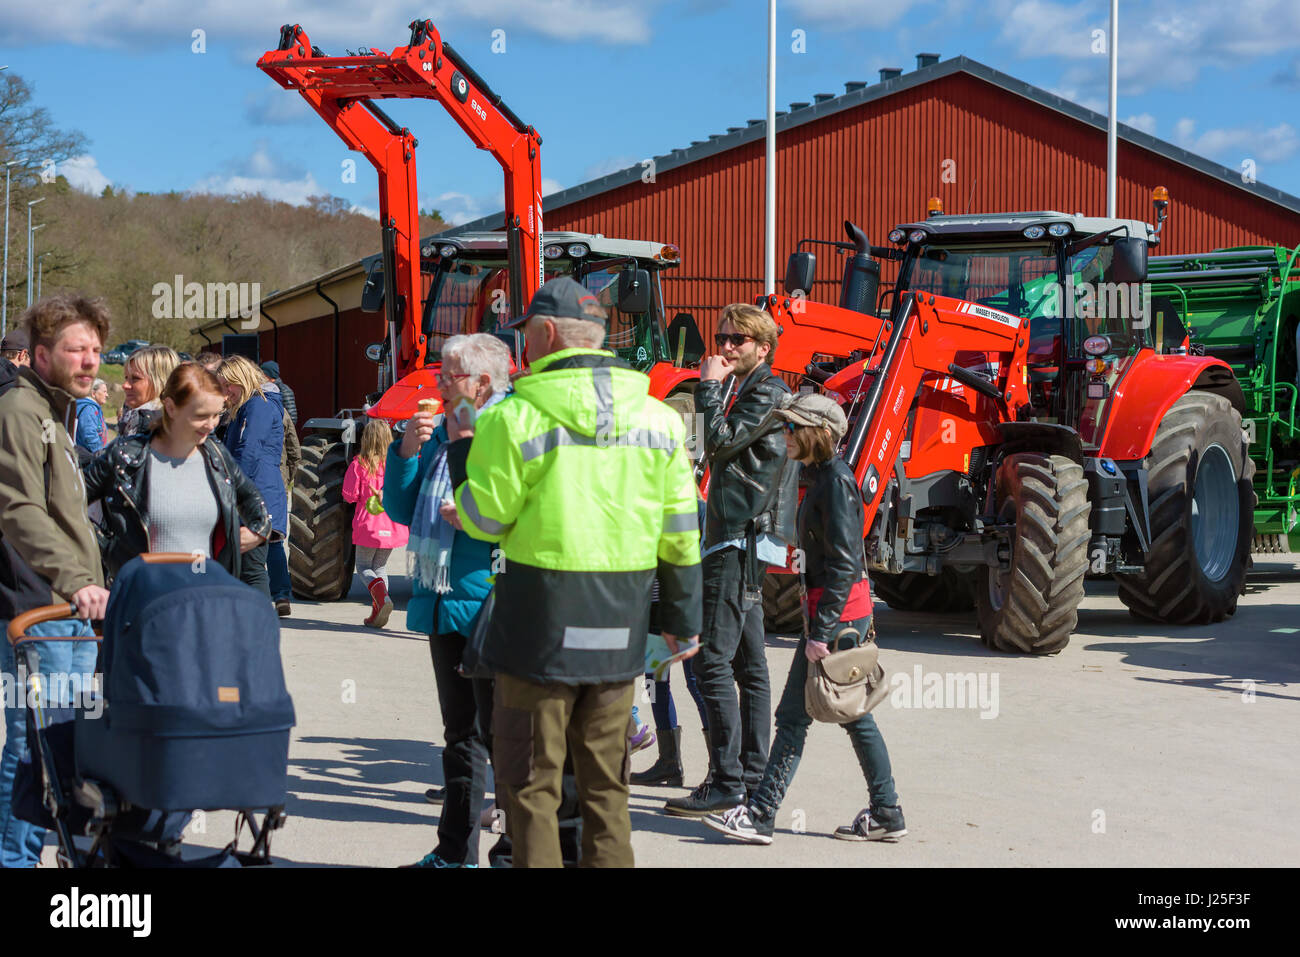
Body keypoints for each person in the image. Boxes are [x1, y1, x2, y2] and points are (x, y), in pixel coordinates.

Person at [449, 277, 703, 868]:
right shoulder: (661, 421)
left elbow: (485, 520)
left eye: (526, 338)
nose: (523, 352)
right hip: (619, 631)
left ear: (547, 333)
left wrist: (463, 450)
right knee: (608, 790)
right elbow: (682, 532)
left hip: (538, 631)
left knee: (532, 788)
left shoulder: (513, 421)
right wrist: (682, 622)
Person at [704, 393, 906, 845]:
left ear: (818, 433)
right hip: (838, 618)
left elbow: (845, 560)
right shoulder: (823, 477)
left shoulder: (834, 481)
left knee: (796, 717)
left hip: (836, 621)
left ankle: (761, 815)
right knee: (853, 715)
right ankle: (887, 811)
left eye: (794, 428)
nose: (786, 435)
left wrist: (823, 631)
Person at [386, 333, 510, 868]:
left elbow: (515, 515)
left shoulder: (507, 431)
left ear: (482, 384)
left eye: (449, 376)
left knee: (503, 740)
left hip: (489, 602)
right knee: (460, 738)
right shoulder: (442, 433)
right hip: (444, 601)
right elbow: (400, 508)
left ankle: (511, 855)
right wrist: (408, 451)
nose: (437, 384)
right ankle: (454, 854)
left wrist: (477, 518)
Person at [665, 302, 791, 817]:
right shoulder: (753, 388)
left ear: (763, 348)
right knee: (747, 664)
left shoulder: (765, 390)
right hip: (744, 536)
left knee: (714, 661)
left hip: (739, 537)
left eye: (737, 339)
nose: (724, 346)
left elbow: (717, 442)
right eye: (722, 337)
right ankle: (750, 775)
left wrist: (709, 387)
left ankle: (726, 780)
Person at [0, 295, 112, 868]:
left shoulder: (54, 412)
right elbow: (18, 510)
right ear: (41, 355)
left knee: (59, 740)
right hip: (40, 605)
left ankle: (40, 853)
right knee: (32, 743)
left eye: (96, 349)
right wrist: (75, 581)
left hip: (68, 609)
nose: (91, 360)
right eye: (77, 349)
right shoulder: (20, 411)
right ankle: (13, 861)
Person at [83, 362, 275, 581]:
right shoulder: (125, 456)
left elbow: (251, 498)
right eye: (201, 415)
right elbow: (67, 502)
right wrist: (106, 549)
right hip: (143, 596)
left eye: (216, 415)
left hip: (205, 596)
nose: (211, 425)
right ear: (171, 408)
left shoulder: (216, 456)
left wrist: (258, 530)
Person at [632, 497, 712, 787]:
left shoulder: (697, 508)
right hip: (655, 610)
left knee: (697, 683)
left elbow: (702, 561)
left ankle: (719, 768)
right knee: (655, 683)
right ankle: (669, 764)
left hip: (686, 610)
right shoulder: (645, 504)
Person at [217, 354, 287, 599]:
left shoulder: (258, 406)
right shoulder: (248, 406)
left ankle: (257, 621)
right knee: (246, 565)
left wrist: (228, 489)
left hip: (256, 494)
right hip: (255, 491)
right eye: (222, 386)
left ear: (243, 378)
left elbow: (249, 451)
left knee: (252, 567)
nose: (226, 393)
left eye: (229, 385)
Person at [343, 417, 409, 628]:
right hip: (392, 525)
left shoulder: (359, 464)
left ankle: (381, 599)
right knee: (380, 566)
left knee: (363, 566)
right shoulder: (395, 465)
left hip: (369, 526)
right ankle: (379, 609)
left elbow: (349, 495)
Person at [118, 344, 180, 438]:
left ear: (161, 381)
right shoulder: (133, 415)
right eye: (126, 377)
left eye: (135, 378)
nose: (125, 385)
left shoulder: (155, 427)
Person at [75, 377, 109, 455]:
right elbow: (89, 435)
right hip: (88, 457)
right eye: (104, 392)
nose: (107, 395)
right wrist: (100, 454)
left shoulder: (94, 408)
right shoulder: (88, 409)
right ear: (93, 393)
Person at [260, 360, 298, 426]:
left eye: (262, 374)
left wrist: (278, 429)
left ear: (266, 375)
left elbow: (292, 416)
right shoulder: (264, 388)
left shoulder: (284, 390)